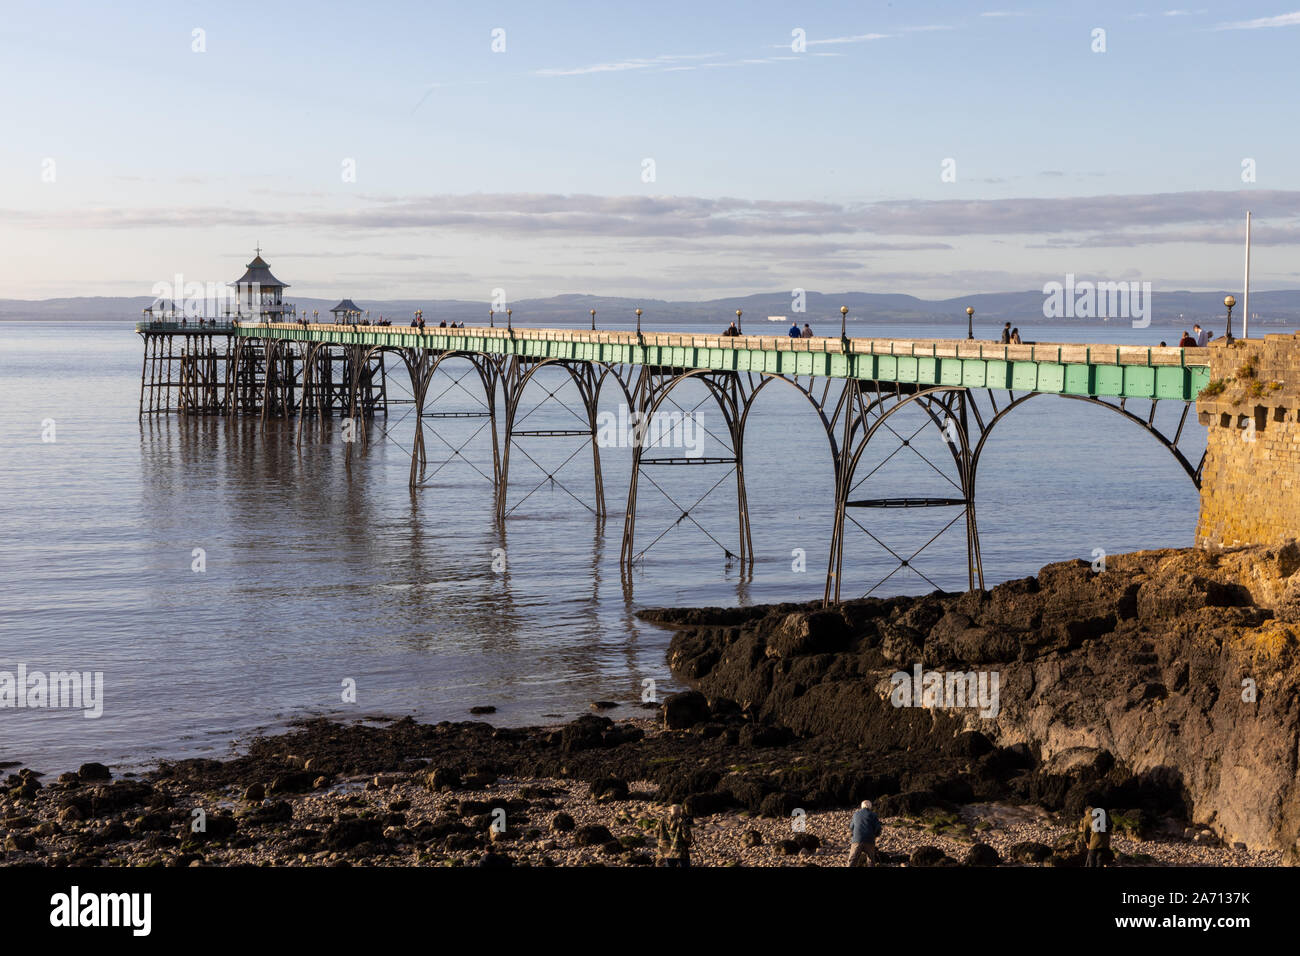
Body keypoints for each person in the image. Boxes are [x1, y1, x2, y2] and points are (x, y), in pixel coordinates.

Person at [848, 800, 882, 866]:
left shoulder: (856, 814)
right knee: (871, 860)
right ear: (870, 807)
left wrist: (854, 835)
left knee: (852, 860)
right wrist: (875, 835)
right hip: (869, 840)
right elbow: (878, 828)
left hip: (857, 840)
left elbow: (851, 827)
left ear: (862, 806)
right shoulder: (873, 815)